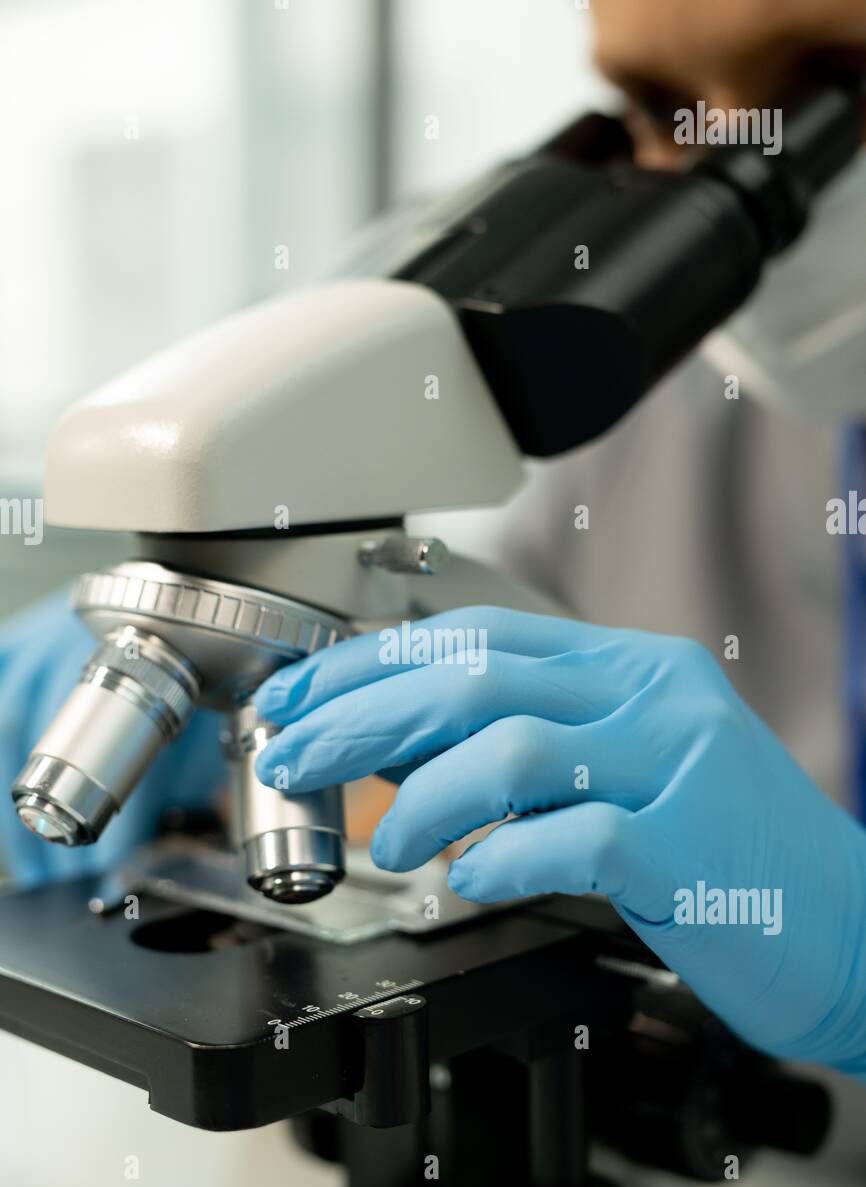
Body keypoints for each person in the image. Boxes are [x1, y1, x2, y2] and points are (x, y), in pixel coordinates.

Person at [2, 0, 866, 1082]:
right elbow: (487, 767)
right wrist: (206, 712)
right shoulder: (655, 412)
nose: (726, 153)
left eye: (829, 88)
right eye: (653, 107)